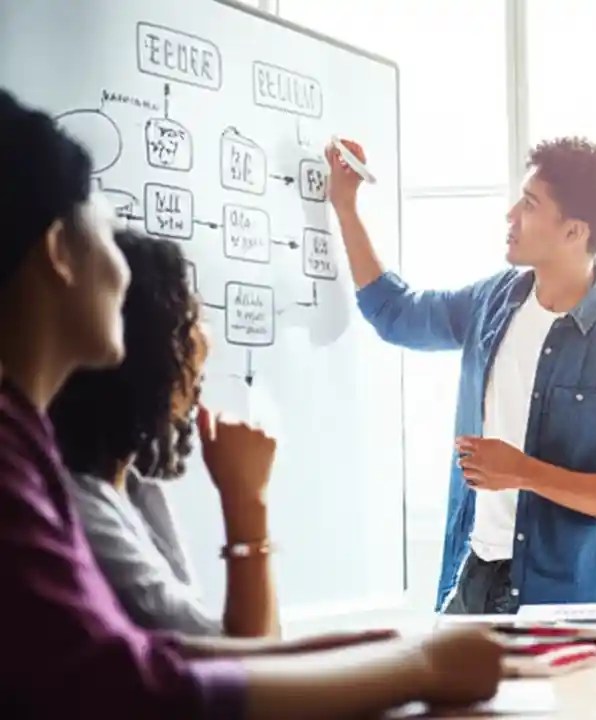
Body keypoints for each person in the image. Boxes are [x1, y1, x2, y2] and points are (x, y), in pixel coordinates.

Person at [0, 88, 500, 718]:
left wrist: (382, 646)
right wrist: (414, 667)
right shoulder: (17, 460)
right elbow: (131, 682)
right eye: (102, 229)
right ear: (57, 254)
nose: (121, 271)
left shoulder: (33, 446)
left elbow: (155, 651)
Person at [327, 137, 596, 613]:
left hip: (562, 605)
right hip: (473, 578)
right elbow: (396, 315)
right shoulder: (492, 302)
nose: (511, 215)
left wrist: (525, 473)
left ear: (574, 232)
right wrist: (345, 207)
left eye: (529, 205)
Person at [49, 229, 277, 637]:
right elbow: (244, 659)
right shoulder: (77, 505)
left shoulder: (138, 491)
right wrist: (247, 501)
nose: (204, 339)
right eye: (186, 320)